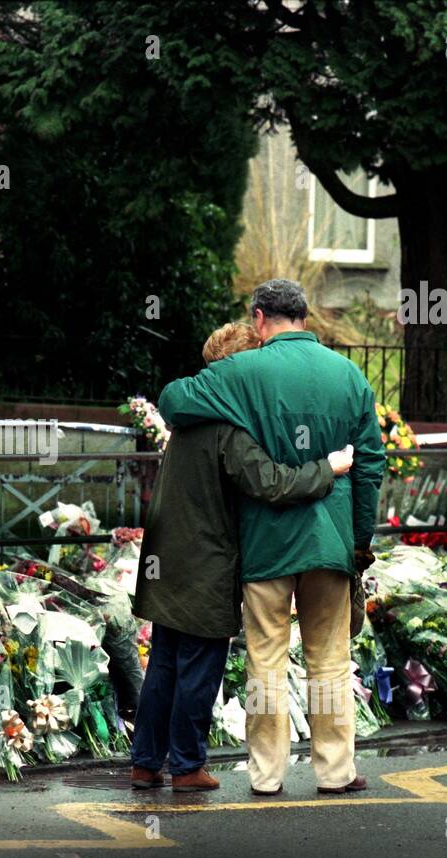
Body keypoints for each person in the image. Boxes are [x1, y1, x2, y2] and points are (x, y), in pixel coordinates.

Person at [158, 279, 386, 795]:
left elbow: (173, 401)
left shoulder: (241, 372)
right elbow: (369, 465)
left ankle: (266, 774)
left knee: (266, 659)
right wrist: (358, 540)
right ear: (306, 317)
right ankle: (335, 771)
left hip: (266, 542)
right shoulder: (348, 376)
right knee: (329, 659)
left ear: (259, 318)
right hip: (330, 539)